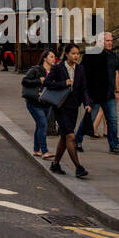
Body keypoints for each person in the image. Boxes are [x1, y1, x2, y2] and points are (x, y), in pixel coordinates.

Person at [43, 44, 92, 179]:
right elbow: (47, 83)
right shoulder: (58, 68)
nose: (76, 56)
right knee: (71, 136)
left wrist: (87, 104)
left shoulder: (81, 69)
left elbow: (84, 89)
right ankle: (78, 167)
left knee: (65, 137)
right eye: (73, 53)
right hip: (61, 107)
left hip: (73, 107)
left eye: (78, 54)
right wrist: (63, 83)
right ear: (67, 54)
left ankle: (55, 164)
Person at [75, 31, 119, 156]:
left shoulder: (113, 56)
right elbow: (82, 73)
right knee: (89, 118)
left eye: (110, 40)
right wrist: (86, 93)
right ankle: (77, 141)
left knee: (113, 120)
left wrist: (117, 90)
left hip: (109, 94)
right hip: (94, 94)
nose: (110, 43)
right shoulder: (91, 55)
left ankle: (114, 146)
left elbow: (115, 73)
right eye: (107, 41)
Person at [21, 48, 57, 158]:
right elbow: (24, 81)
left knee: (40, 126)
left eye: (54, 57)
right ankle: (44, 151)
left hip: (47, 103)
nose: (54, 59)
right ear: (44, 58)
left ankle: (36, 150)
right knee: (43, 125)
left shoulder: (54, 71)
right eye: (51, 57)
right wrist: (39, 81)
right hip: (34, 103)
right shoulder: (36, 70)